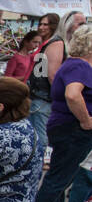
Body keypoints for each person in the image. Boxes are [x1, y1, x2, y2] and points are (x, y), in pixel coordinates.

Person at [32, 25, 92, 202]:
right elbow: (73, 95)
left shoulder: (76, 65)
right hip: (72, 127)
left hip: (67, 126)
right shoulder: (79, 66)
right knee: (59, 177)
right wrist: (86, 120)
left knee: (62, 176)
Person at [28, 11, 83, 162]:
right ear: (68, 25)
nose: (83, 27)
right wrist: (63, 99)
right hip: (43, 99)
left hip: (43, 98)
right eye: (81, 23)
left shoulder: (59, 43)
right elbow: (53, 75)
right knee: (40, 139)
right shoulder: (58, 43)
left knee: (41, 138)